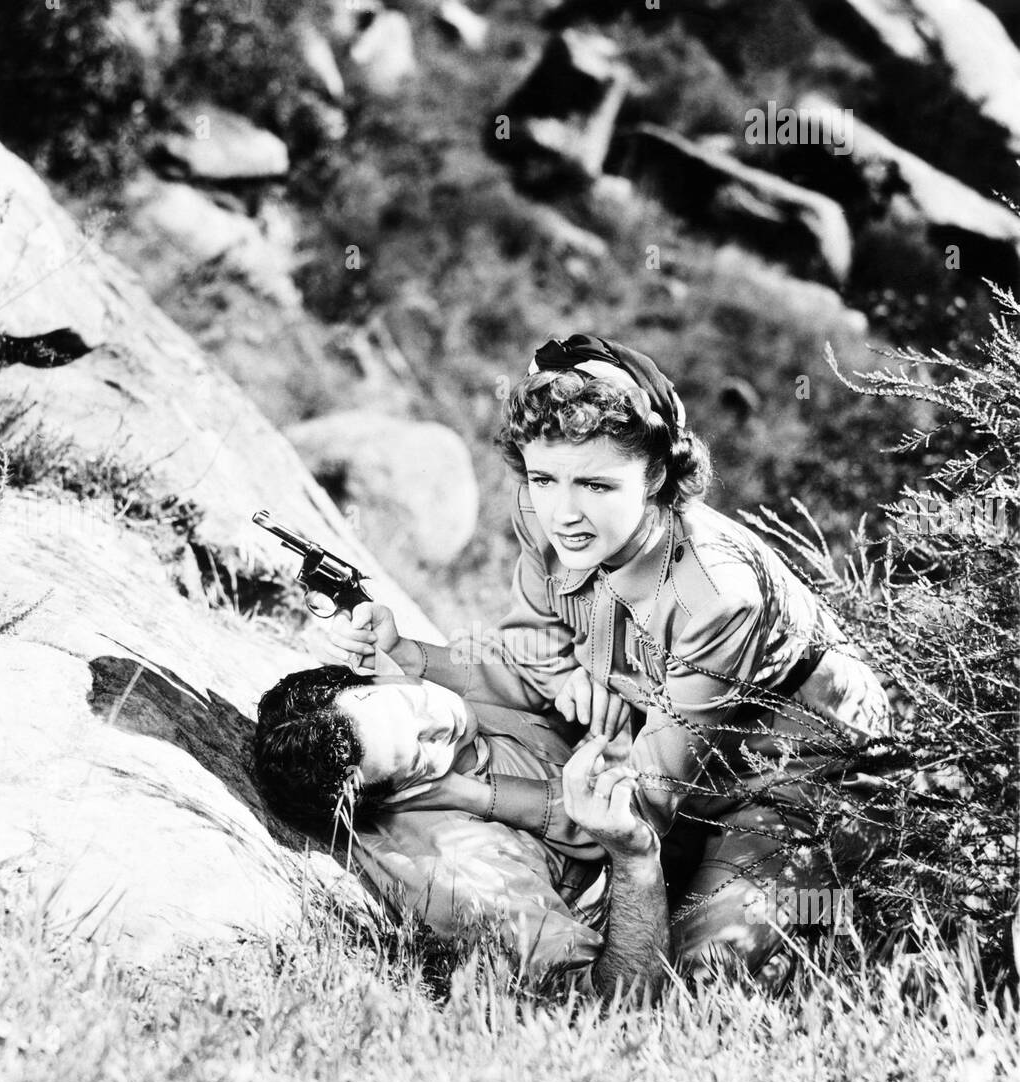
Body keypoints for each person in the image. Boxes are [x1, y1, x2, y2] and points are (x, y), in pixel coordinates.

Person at [323, 333, 893, 996]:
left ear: (654, 477)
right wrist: (406, 654)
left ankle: (861, 913)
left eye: (595, 483)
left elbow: (635, 814)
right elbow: (523, 674)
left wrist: (476, 796)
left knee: (697, 983)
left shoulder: (714, 596)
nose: (564, 512)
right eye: (543, 478)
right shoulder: (549, 515)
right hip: (668, 737)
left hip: (799, 776)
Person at [253, 659, 611, 981]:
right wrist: (637, 863)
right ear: (393, 797)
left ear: (379, 678)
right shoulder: (461, 875)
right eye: (420, 753)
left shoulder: (427, 700)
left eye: (411, 705)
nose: (439, 720)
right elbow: (612, 996)